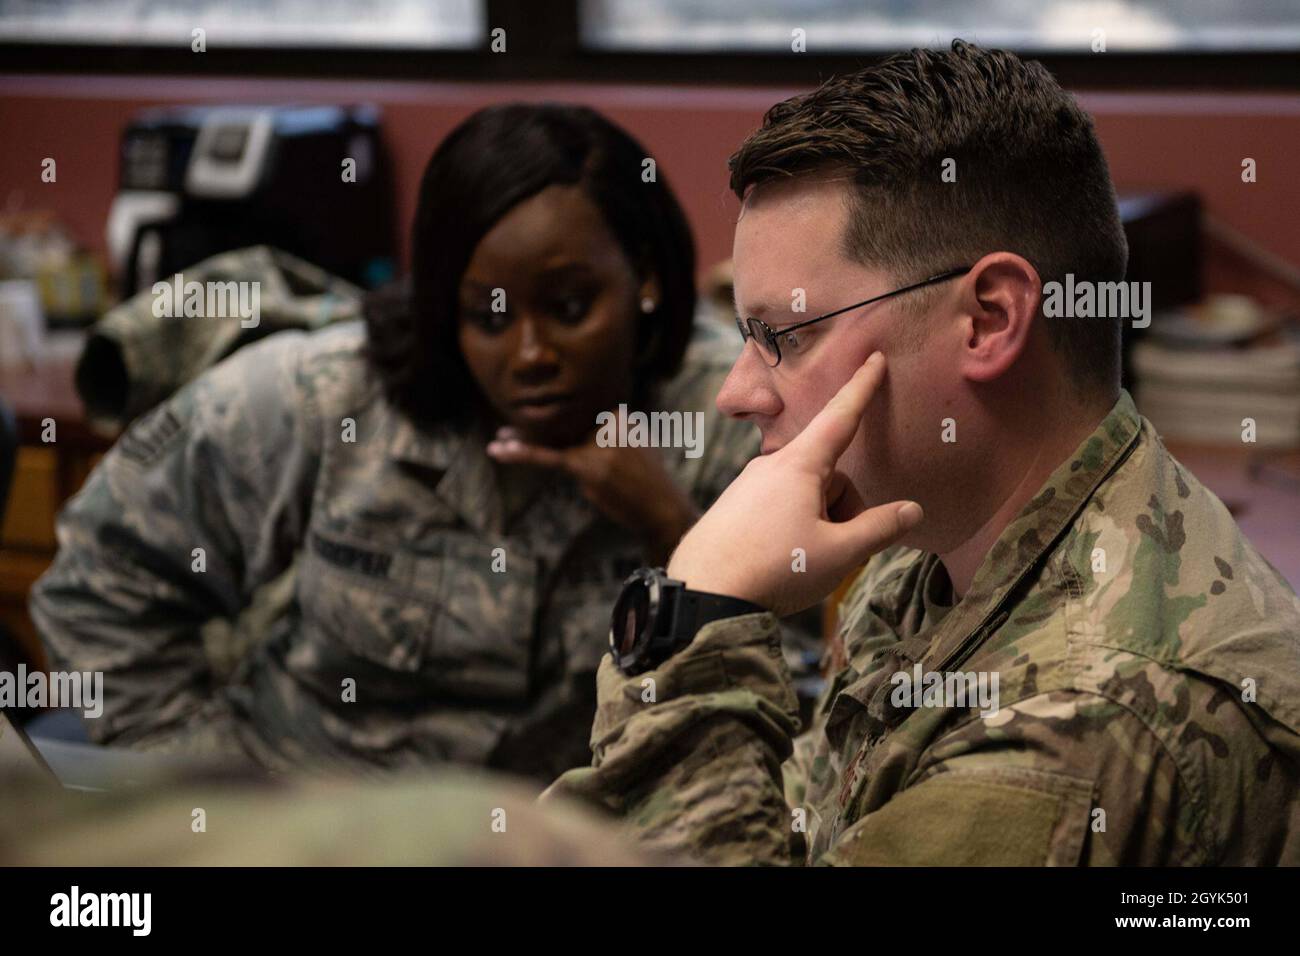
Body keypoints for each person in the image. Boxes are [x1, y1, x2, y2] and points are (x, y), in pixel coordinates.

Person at [545, 41, 1300, 864]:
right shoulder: (932, 538)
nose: (737, 393)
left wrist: (697, 617)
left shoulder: (1086, 718)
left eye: (785, 335)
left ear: (987, 319)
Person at [30, 103, 758, 782]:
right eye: (488, 316)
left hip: (559, 842)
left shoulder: (727, 413)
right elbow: (96, 579)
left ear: (647, 281)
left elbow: (781, 704)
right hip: (303, 819)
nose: (532, 352)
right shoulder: (324, 395)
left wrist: (673, 532)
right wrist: (202, 793)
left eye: (570, 307)